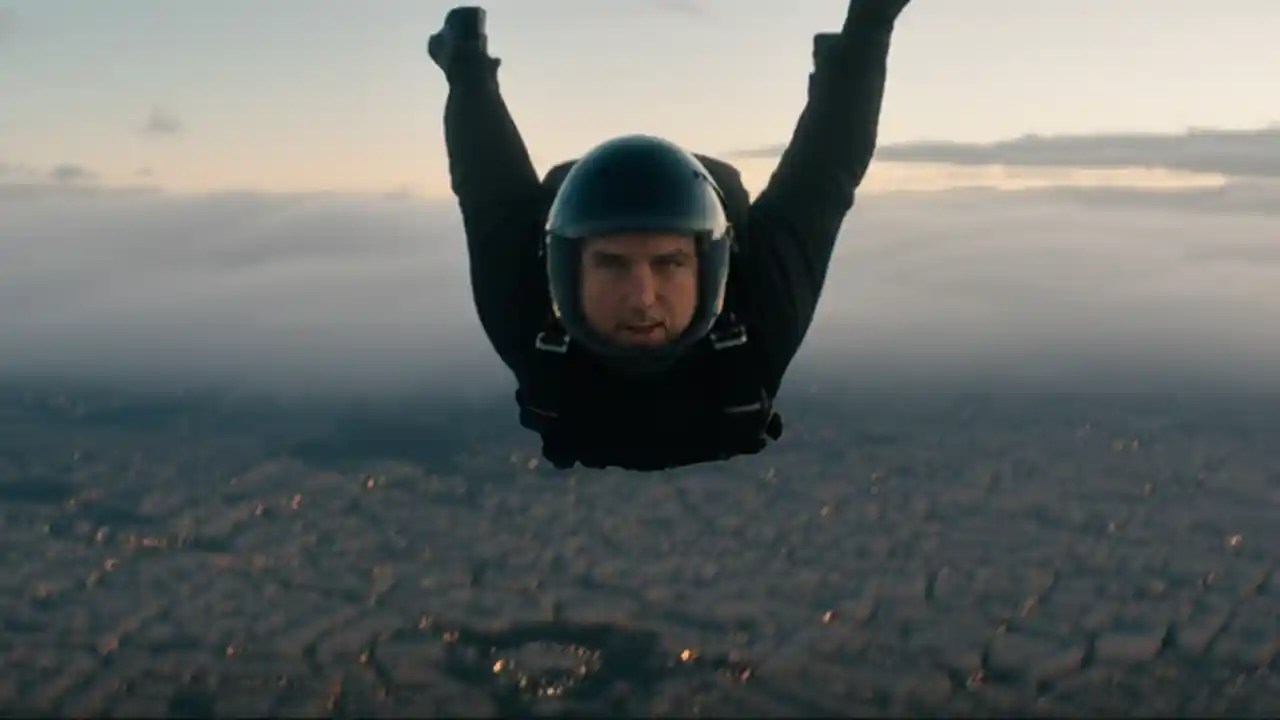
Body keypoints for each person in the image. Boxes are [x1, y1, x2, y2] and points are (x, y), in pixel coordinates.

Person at [429, 0, 912, 472]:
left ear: (712, 269)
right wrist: (869, 26)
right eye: (612, 263)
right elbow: (827, 172)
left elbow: (825, 171)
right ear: (564, 270)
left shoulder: (526, 327)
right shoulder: (761, 333)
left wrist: (870, 24)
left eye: (669, 263)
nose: (642, 298)